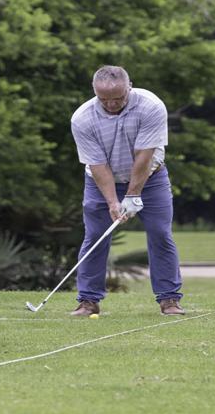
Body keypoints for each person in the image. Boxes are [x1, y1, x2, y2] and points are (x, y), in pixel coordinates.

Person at [68, 66, 182, 317]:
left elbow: (143, 157)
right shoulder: (83, 118)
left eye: (117, 98)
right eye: (104, 99)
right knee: (96, 235)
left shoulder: (151, 106)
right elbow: (98, 165)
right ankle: (88, 301)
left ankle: (169, 299)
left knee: (160, 233)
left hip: (151, 179)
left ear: (129, 86)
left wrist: (132, 194)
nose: (110, 104)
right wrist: (112, 202)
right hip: (100, 183)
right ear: (94, 92)